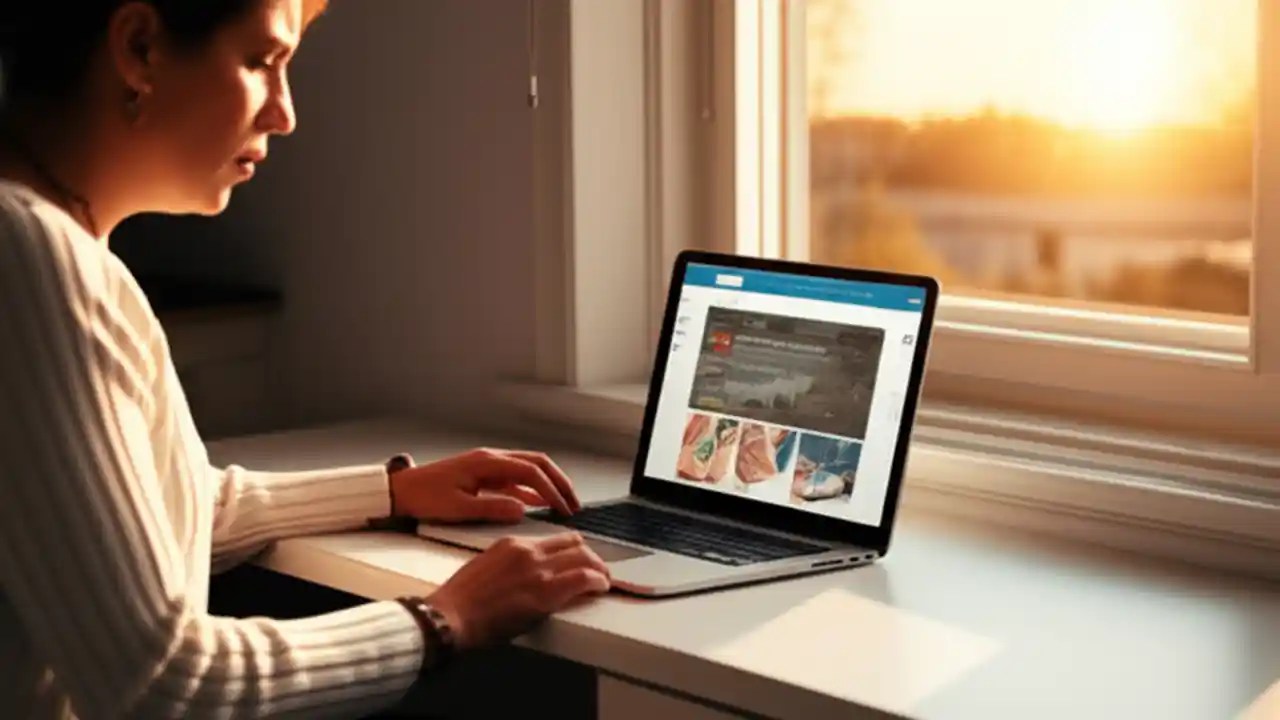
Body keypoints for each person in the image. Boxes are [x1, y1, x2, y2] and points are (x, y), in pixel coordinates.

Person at [0, 2, 611, 718]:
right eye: (262, 62)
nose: (285, 113)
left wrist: (390, 494)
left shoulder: (46, 241)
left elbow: (168, 506)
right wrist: (444, 620)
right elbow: (166, 684)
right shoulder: (35, 260)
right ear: (138, 48)